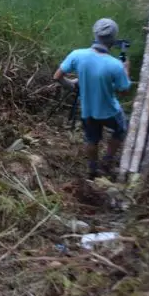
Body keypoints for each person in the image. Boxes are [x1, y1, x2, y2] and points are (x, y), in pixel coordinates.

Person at [53, 19, 131, 179]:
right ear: (113, 39)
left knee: (91, 139)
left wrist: (73, 85)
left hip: (88, 110)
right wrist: (126, 70)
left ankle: (92, 169)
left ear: (95, 34)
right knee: (121, 129)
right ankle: (108, 160)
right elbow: (124, 92)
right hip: (110, 111)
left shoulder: (77, 55)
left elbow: (58, 77)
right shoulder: (115, 65)